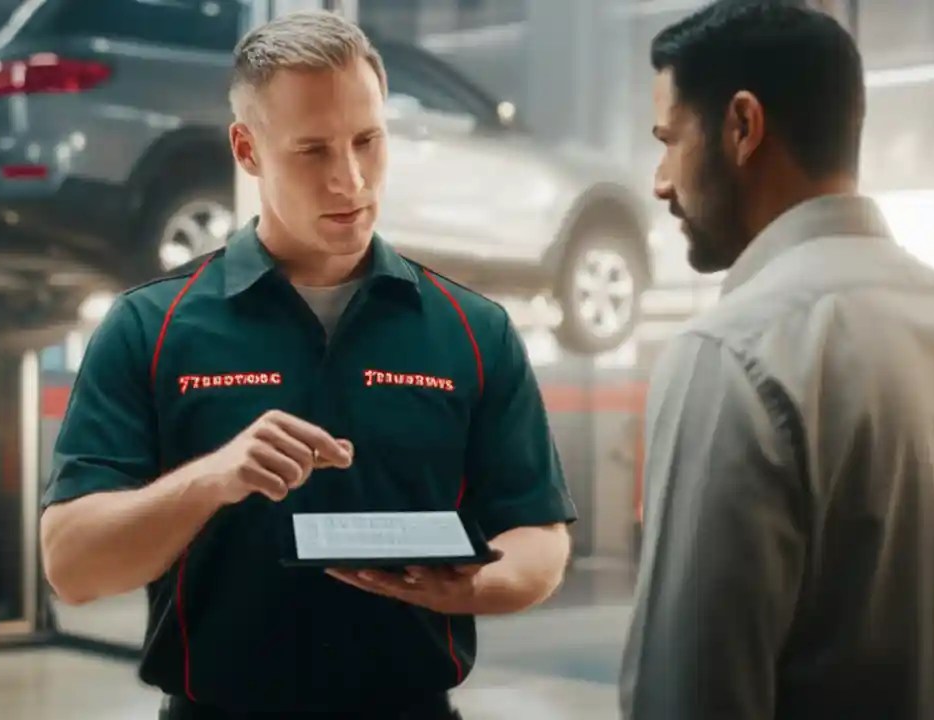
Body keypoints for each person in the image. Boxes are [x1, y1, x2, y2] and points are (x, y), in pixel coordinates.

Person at [39, 11, 577, 719]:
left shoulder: (474, 332)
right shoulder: (151, 329)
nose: (349, 178)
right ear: (247, 148)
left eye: (367, 141)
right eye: (313, 150)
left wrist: (473, 587)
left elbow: (538, 534)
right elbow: (72, 567)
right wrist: (213, 478)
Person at [620, 2, 934, 719]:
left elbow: (689, 696)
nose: (661, 180)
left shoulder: (732, 356)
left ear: (742, 126)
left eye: (669, 140)